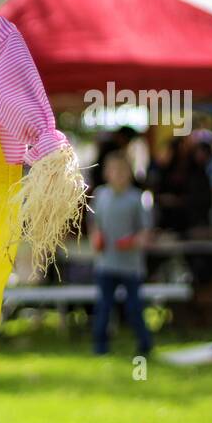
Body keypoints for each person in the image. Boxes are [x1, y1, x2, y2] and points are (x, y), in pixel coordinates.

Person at [90, 152, 154, 356]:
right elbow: (94, 225)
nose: (118, 175)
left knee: (134, 307)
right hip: (105, 264)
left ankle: (144, 345)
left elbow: (146, 232)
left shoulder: (137, 198)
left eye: (122, 171)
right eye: (114, 170)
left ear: (129, 173)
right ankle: (100, 347)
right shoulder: (100, 196)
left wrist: (133, 241)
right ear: (107, 173)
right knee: (104, 307)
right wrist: (96, 238)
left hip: (131, 265)